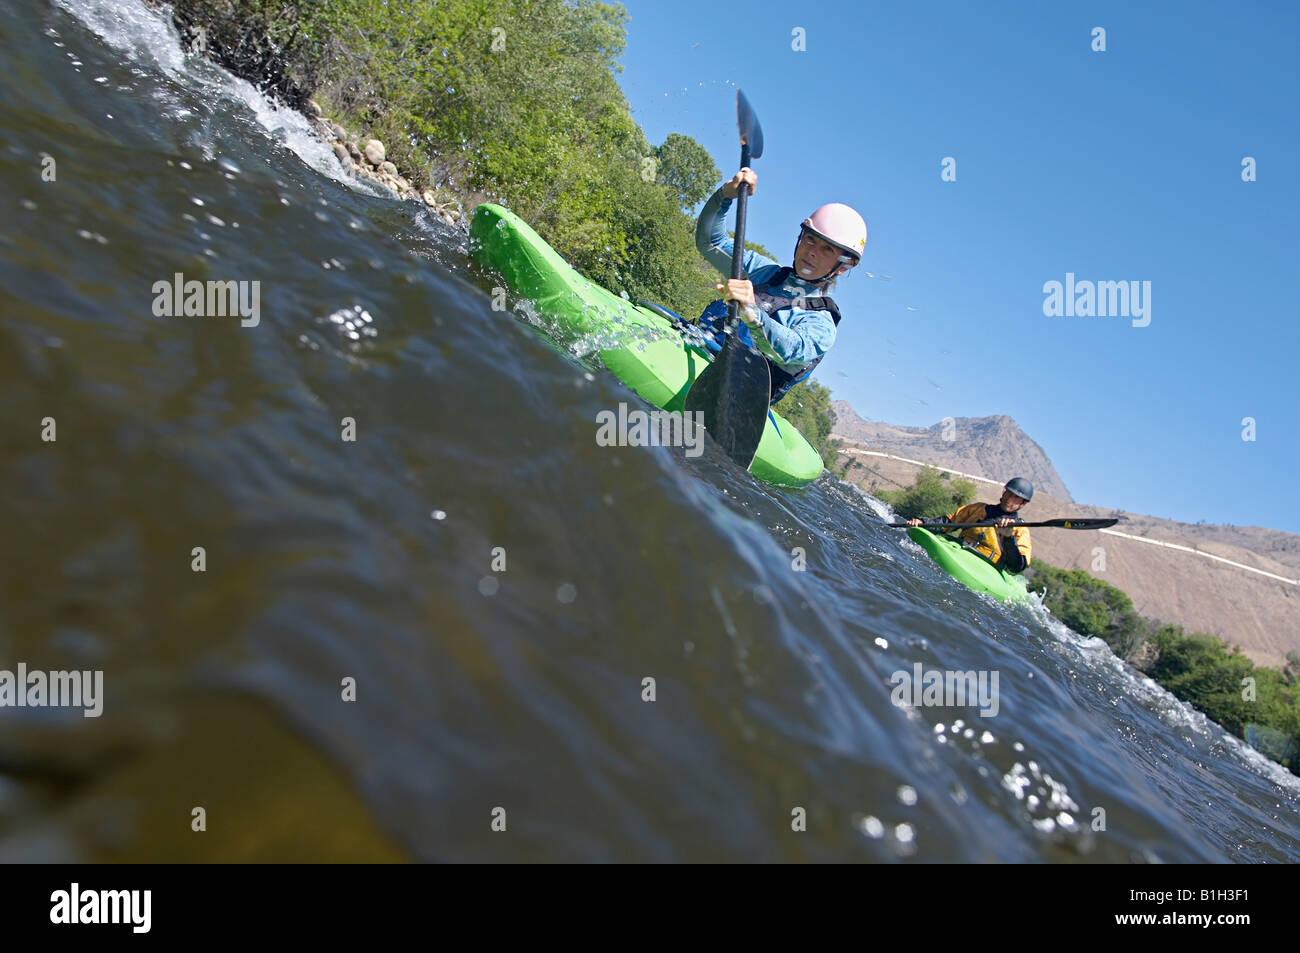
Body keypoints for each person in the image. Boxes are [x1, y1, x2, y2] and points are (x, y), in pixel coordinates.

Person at [693, 168, 867, 404]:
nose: (812, 252)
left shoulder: (821, 323)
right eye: (810, 239)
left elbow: (791, 349)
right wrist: (725, 195)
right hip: (694, 348)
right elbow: (711, 242)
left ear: (843, 267)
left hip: (733, 398)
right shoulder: (764, 272)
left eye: (827, 250)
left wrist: (752, 312)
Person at [906, 478, 1035, 574]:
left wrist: (1008, 537)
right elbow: (948, 523)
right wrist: (922, 522)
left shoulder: (1020, 529)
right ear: (1003, 492)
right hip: (960, 550)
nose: (1009, 499)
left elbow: (1017, 566)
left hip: (987, 568)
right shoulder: (978, 508)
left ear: (1022, 504)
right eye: (1009, 493)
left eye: (1016, 498)